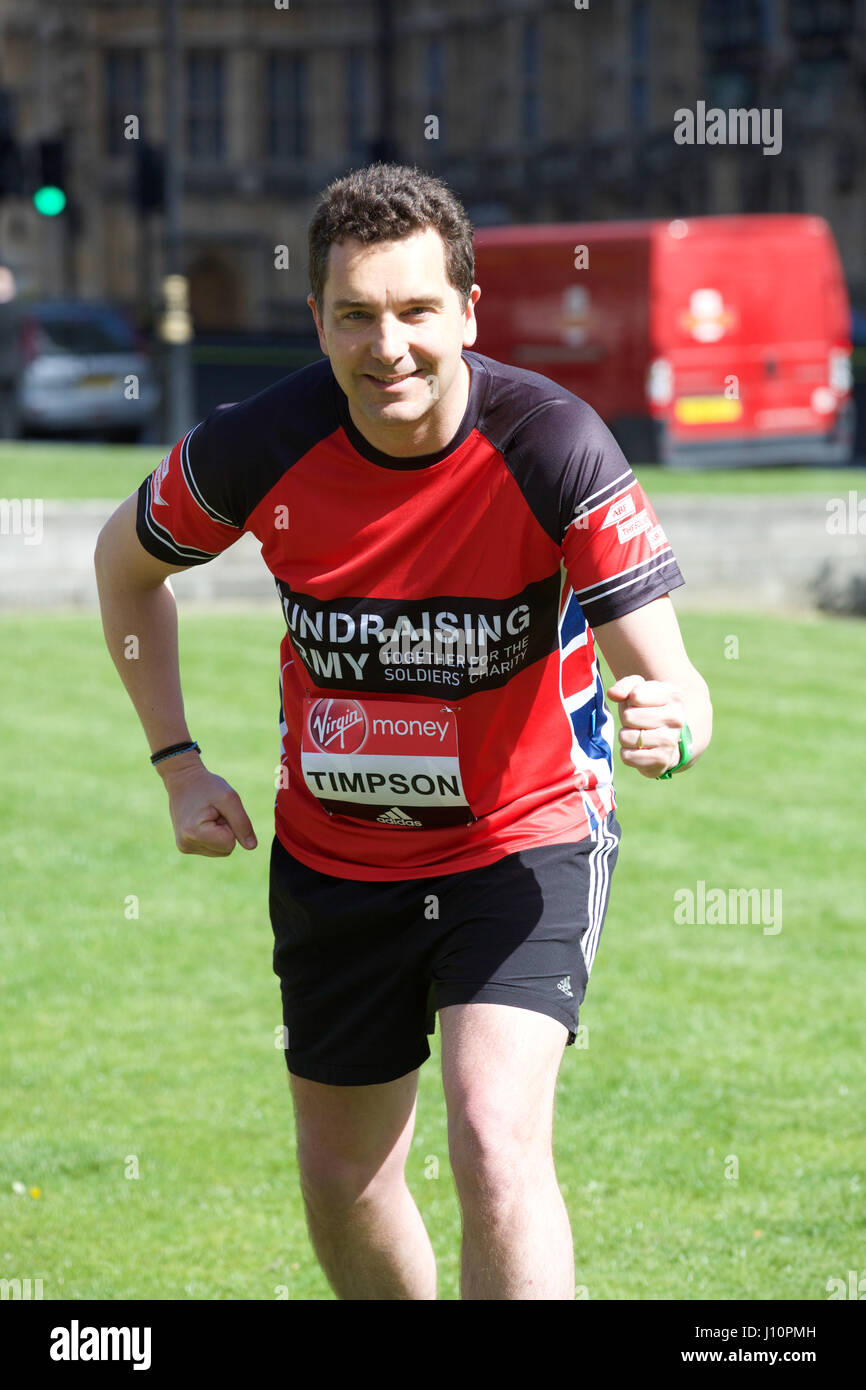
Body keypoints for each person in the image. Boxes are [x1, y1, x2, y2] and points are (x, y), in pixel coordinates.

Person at [94, 162, 712, 1301]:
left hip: (518, 843)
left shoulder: (553, 444)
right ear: (318, 321)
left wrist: (671, 715)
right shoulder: (258, 445)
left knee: (492, 1138)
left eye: (418, 310)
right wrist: (178, 765)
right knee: (345, 1183)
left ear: (468, 313)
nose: (390, 346)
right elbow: (124, 570)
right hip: (333, 858)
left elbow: (665, 675)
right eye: (357, 316)